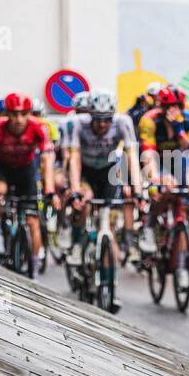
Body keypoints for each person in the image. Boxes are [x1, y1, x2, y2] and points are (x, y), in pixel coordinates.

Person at [61, 90, 141, 269]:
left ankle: (107, 283)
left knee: (109, 224)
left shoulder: (123, 122)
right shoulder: (77, 124)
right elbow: (74, 158)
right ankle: (76, 244)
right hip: (85, 171)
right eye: (98, 119)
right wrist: (75, 191)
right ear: (90, 115)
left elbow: (132, 157)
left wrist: (138, 191)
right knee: (84, 201)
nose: (103, 124)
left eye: (107, 119)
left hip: (108, 170)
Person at [0, 92, 56, 264]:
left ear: (29, 113)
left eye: (24, 114)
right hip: (3, 169)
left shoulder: (39, 127)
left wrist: (50, 190)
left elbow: (47, 159)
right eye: (14, 114)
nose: (19, 119)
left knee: (33, 220)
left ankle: (35, 264)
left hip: (26, 169)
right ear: (7, 114)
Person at [138, 85, 189, 254]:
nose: (173, 110)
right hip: (158, 160)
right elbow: (149, 154)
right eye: (169, 107)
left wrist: (179, 129)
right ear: (161, 108)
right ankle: (150, 223)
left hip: (180, 159)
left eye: (177, 106)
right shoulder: (149, 120)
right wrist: (155, 179)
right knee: (167, 187)